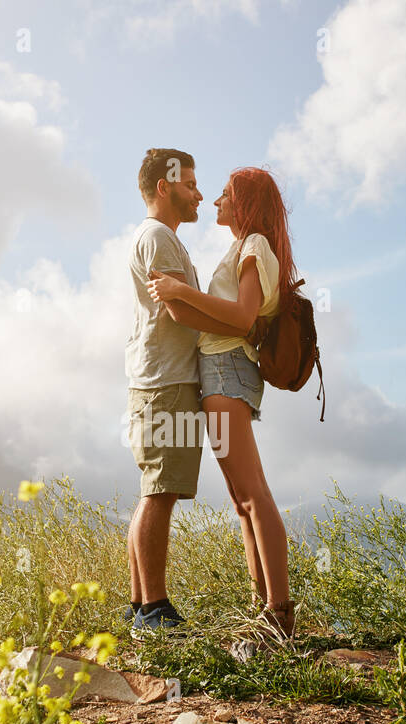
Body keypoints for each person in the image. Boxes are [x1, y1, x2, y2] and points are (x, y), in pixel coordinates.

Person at [146, 166, 297, 651]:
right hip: (224, 371)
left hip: (227, 371)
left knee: (251, 494)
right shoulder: (247, 247)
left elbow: (241, 316)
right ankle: (265, 611)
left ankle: (278, 615)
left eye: (226, 195)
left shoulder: (254, 245)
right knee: (241, 500)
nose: (214, 202)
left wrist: (177, 291)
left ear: (246, 202)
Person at [124, 148, 245, 634]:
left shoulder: (161, 238)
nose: (198, 194)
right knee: (161, 491)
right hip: (167, 381)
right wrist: (241, 324)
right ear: (163, 187)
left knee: (155, 490)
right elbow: (180, 312)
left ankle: (140, 606)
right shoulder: (157, 237)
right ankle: (153, 608)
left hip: (159, 378)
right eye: (190, 185)